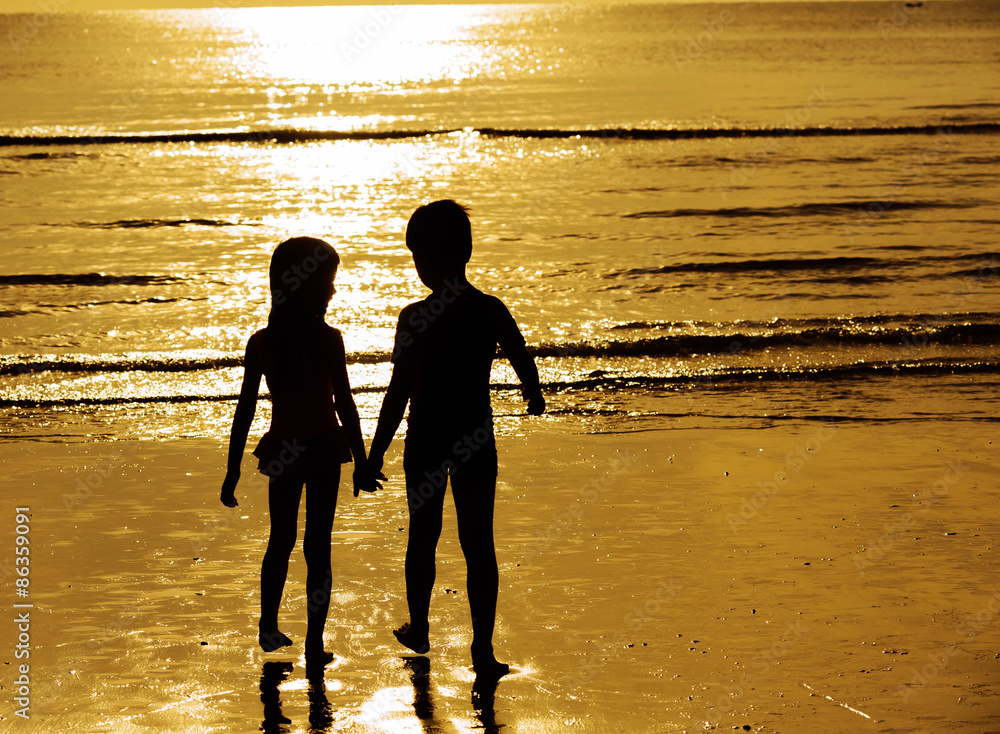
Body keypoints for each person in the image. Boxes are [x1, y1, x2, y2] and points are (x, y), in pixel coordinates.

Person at [366, 200, 545, 679]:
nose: (418, 266)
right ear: (465, 251)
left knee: (423, 536)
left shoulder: (414, 317)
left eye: (418, 256)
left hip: (426, 439)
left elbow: (398, 392)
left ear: (428, 258)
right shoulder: (489, 309)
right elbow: (521, 356)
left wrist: (375, 454)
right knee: (478, 542)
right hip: (474, 439)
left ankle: (421, 627)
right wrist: (533, 394)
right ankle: (482, 648)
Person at [220, 236, 377, 667]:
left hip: (286, 448)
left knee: (282, 539)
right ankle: (313, 642)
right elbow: (344, 404)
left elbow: (246, 410)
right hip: (323, 446)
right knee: (316, 546)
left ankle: (269, 626)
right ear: (305, 284)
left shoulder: (263, 341)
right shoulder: (328, 339)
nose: (332, 290)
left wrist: (233, 468)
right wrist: (361, 460)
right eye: (327, 282)